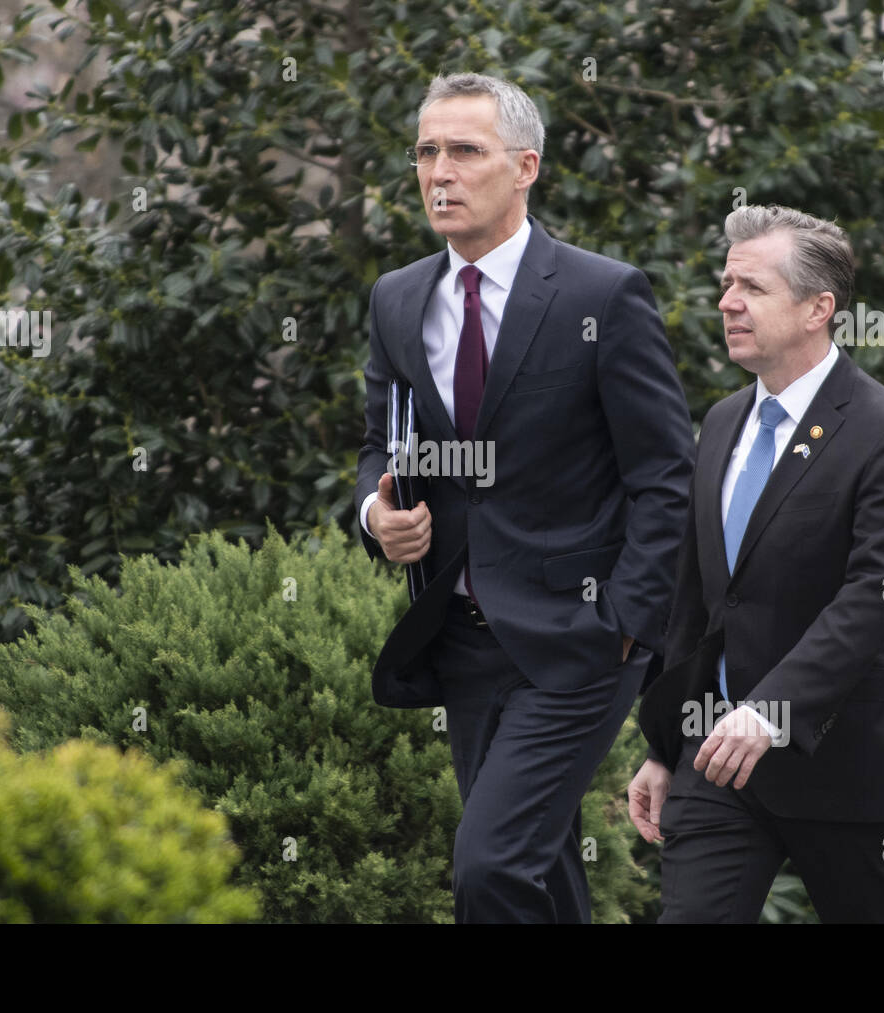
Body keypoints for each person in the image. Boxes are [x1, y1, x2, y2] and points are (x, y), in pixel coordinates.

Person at [356, 72, 694, 923]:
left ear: (526, 167)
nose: (440, 172)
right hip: (462, 635)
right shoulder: (397, 299)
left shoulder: (603, 295)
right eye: (426, 152)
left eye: (466, 151)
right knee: (539, 874)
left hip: (580, 639)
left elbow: (664, 476)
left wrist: (625, 623)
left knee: (490, 865)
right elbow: (379, 449)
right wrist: (376, 514)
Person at [628, 204, 884, 923]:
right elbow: (696, 596)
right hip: (718, 758)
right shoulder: (722, 420)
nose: (726, 302)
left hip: (841, 762)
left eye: (751, 288)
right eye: (726, 284)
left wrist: (771, 710)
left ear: (819, 308)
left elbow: (868, 602)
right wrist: (668, 743)